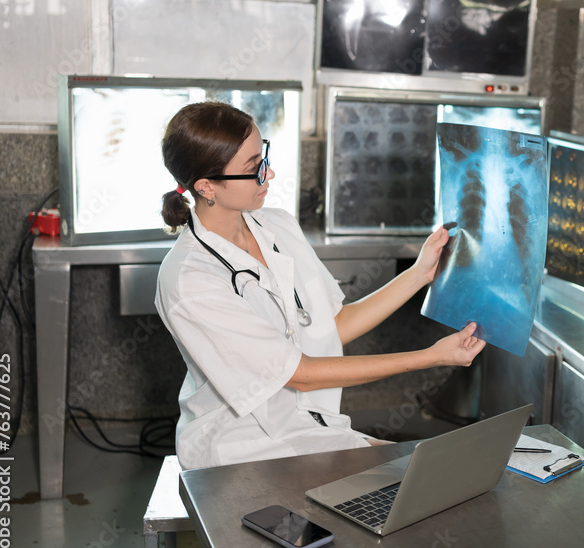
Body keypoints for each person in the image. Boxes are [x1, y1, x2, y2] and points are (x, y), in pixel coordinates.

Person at [154, 101, 485, 470]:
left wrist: (420, 274)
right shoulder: (189, 280)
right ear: (206, 187)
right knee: (410, 482)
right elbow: (302, 375)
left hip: (314, 428)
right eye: (255, 169)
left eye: (263, 157)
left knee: (422, 477)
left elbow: (334, 324)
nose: (270, 173)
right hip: (241, 448)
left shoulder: (277, 226)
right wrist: (432, 357)